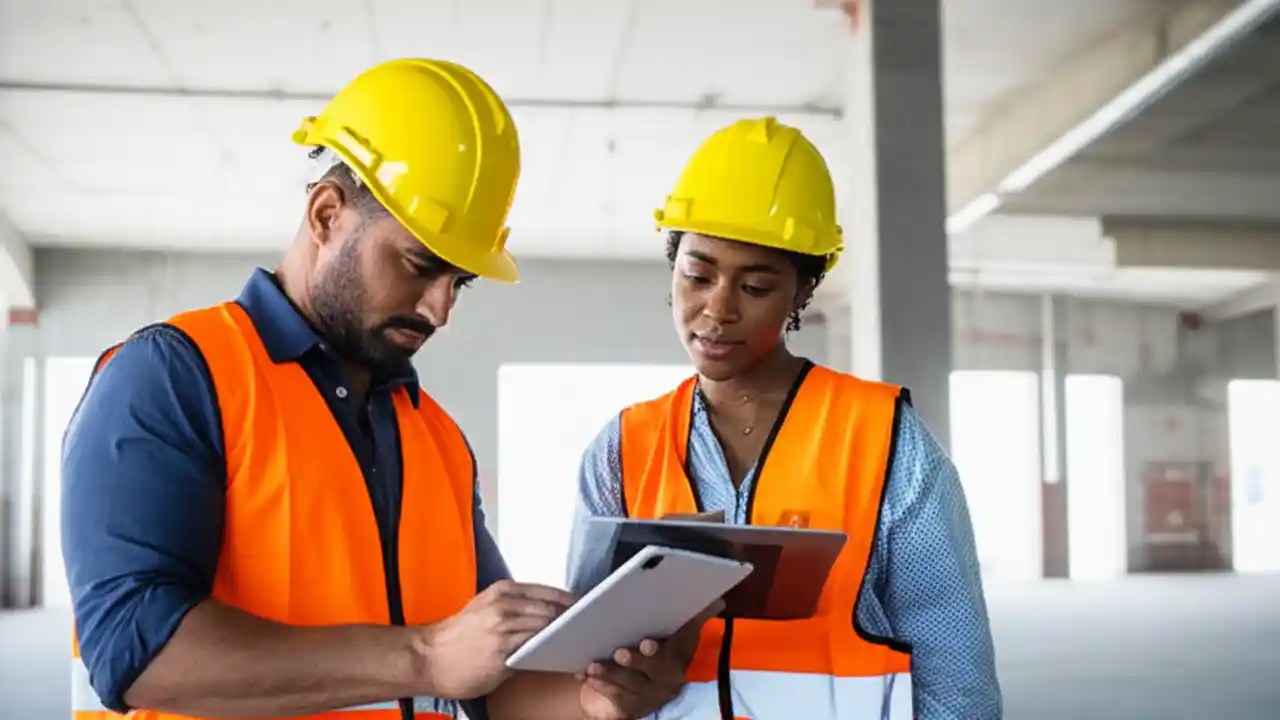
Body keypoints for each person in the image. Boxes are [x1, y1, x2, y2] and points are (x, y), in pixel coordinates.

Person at [61, 58, 708, 720]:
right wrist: (421, 655)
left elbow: (486, 679)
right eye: (419, 265)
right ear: (326, 213)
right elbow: (134, 651)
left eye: (459, 282)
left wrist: (594, 699)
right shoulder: (173, 377)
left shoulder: (437, 438)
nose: (439, 310)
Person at [566, 117, 1002, 719]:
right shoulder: (623, 448)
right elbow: (581, 664)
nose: (716, 310)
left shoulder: (884, 441)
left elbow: (956, 677)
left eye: (755, 287)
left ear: (801, 293)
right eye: (698, 275)